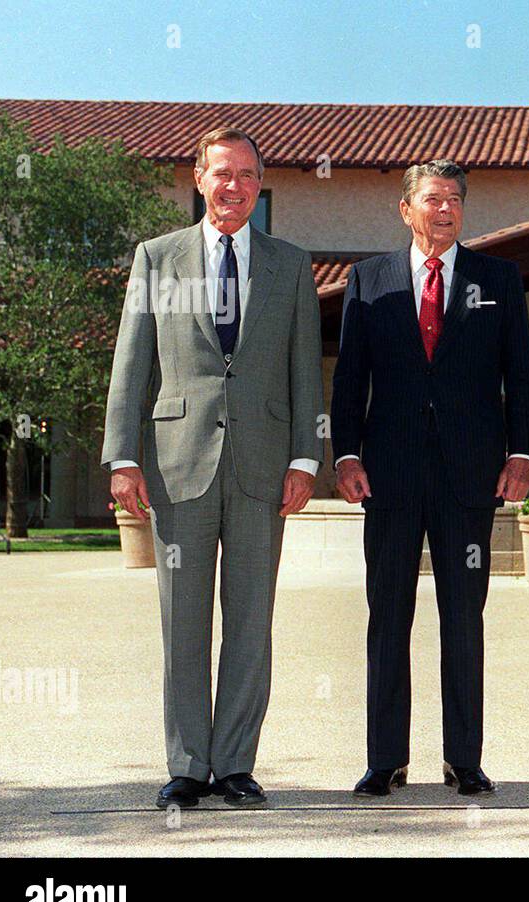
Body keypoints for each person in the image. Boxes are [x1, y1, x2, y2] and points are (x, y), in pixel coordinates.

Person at [102, 127, 324, 808]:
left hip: (262, 468)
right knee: (184, 622)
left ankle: (235, 765)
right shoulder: (156, 259)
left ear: (262, 186)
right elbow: (132, 362)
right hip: (177, 465)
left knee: (251, 620)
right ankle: (187, 765)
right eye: (222, 173)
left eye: (249, 176)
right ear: (198, 178)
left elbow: (305, 372)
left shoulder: (290, 265)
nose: (235, 187)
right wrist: (123, 456)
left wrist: (306, 456)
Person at [330, 159, 529, 797]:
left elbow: (522, 378)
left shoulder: (498, 279)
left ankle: (464, 759)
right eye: (431, 198)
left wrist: (522, 454)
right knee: (387, 616)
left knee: (463, 618)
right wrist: (345, 453)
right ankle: (384, 758)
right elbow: (349, 380)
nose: (444, 208)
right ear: (406, 209)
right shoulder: (368, 281)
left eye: (454, 198)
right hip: (388, 477)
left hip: (469, 477)